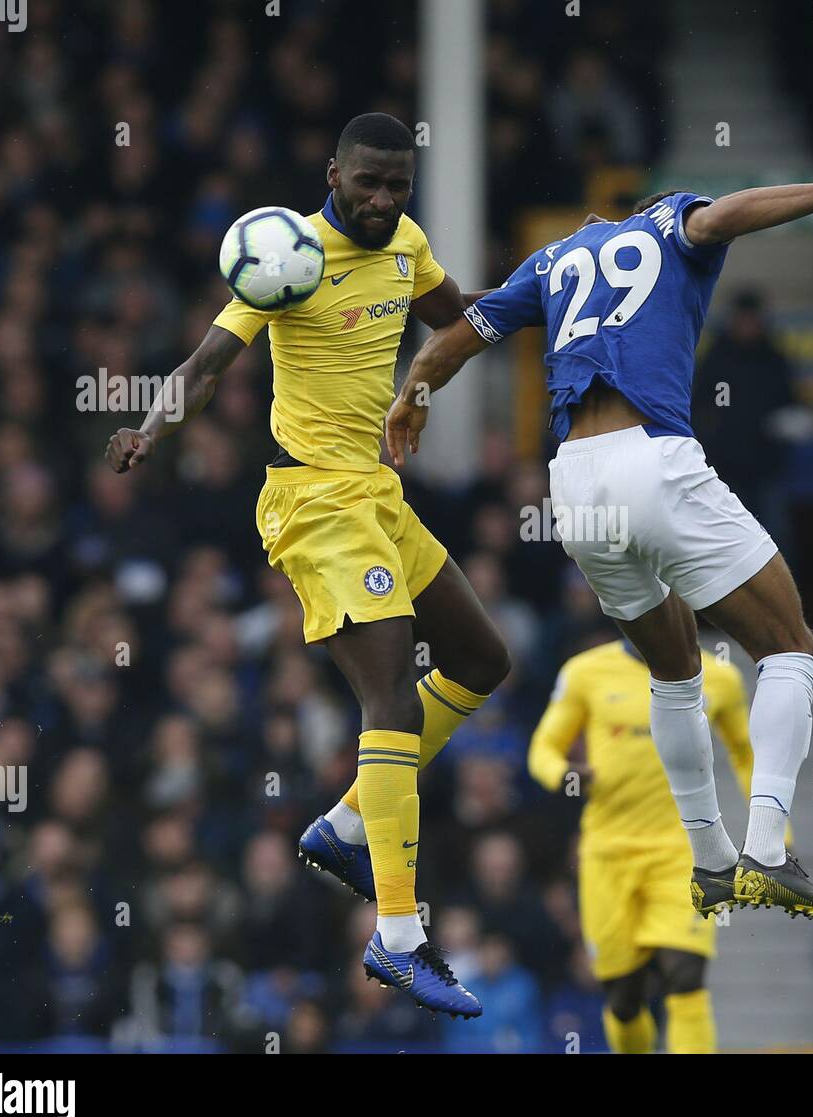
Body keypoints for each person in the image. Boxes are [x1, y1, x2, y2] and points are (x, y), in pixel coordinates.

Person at [387, 166, 813, 920]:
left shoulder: (553, 262)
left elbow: (447, 343)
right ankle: (768, 848)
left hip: (572, 489)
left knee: (676, 668)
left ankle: (710, 858)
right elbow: (733, 213)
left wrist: (409, 400)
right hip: (652, 462)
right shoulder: (666, 225)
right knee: (789, 647)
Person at [106, 113, 511, 1018]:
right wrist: (152, 425)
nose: (380, 199)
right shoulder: (286, 255)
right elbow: (206, 363)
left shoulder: (406, 244)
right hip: (314, 506)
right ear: (333, 172)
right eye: (366, 181)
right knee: (393, 695)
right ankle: (399, 936)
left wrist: (545, 299)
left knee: (483, 659)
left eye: (395, 185)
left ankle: (345, 823)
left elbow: (460, 319)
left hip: (376, 493)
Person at [529, 639, 752, 1053]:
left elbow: (746, 752)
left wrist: (775, 829)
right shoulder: (585, 672)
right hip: (608, 855)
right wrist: (563, 774)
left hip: (686, 850)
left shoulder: (720, 678)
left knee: (685, 977)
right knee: (624, 997)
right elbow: (542, 748)